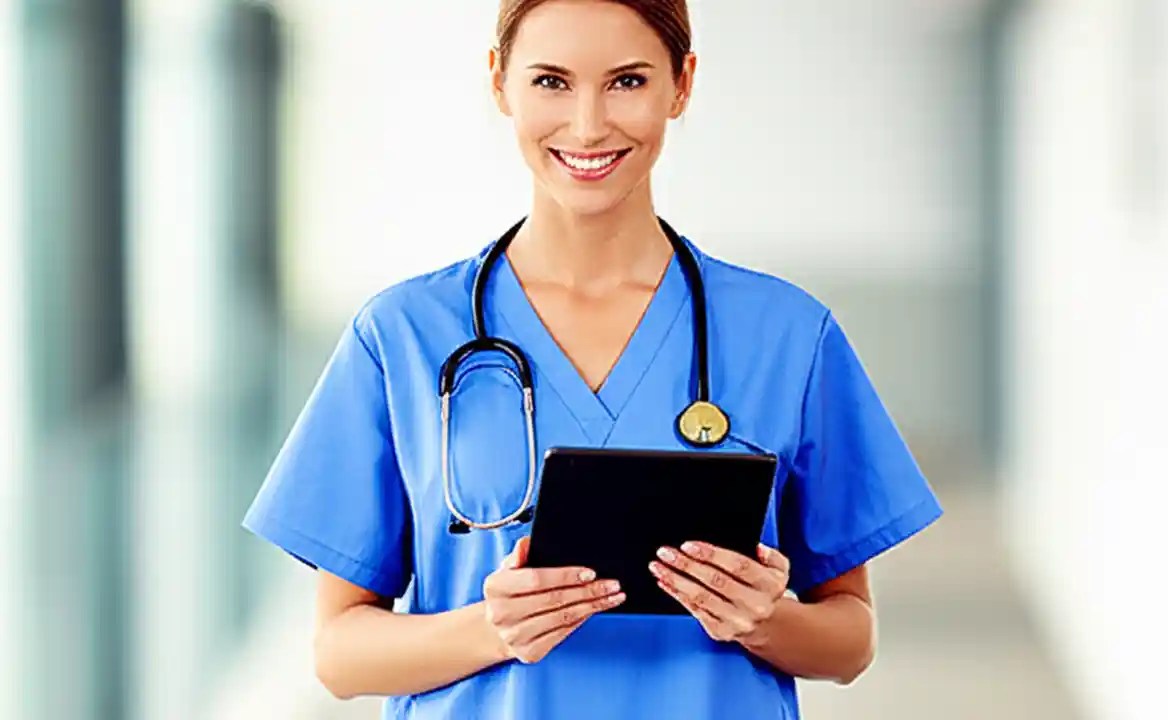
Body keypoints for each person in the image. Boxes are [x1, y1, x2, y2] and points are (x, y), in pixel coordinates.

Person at [241, 1, 943, 718]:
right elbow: (339, 654)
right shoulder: (403, 336)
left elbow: (850, 640)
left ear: (682, 84)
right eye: (551, 81)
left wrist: (767, 619)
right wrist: (493, 629)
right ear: (499, 81)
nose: (588, 125)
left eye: (627, 82)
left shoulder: (787, 335)